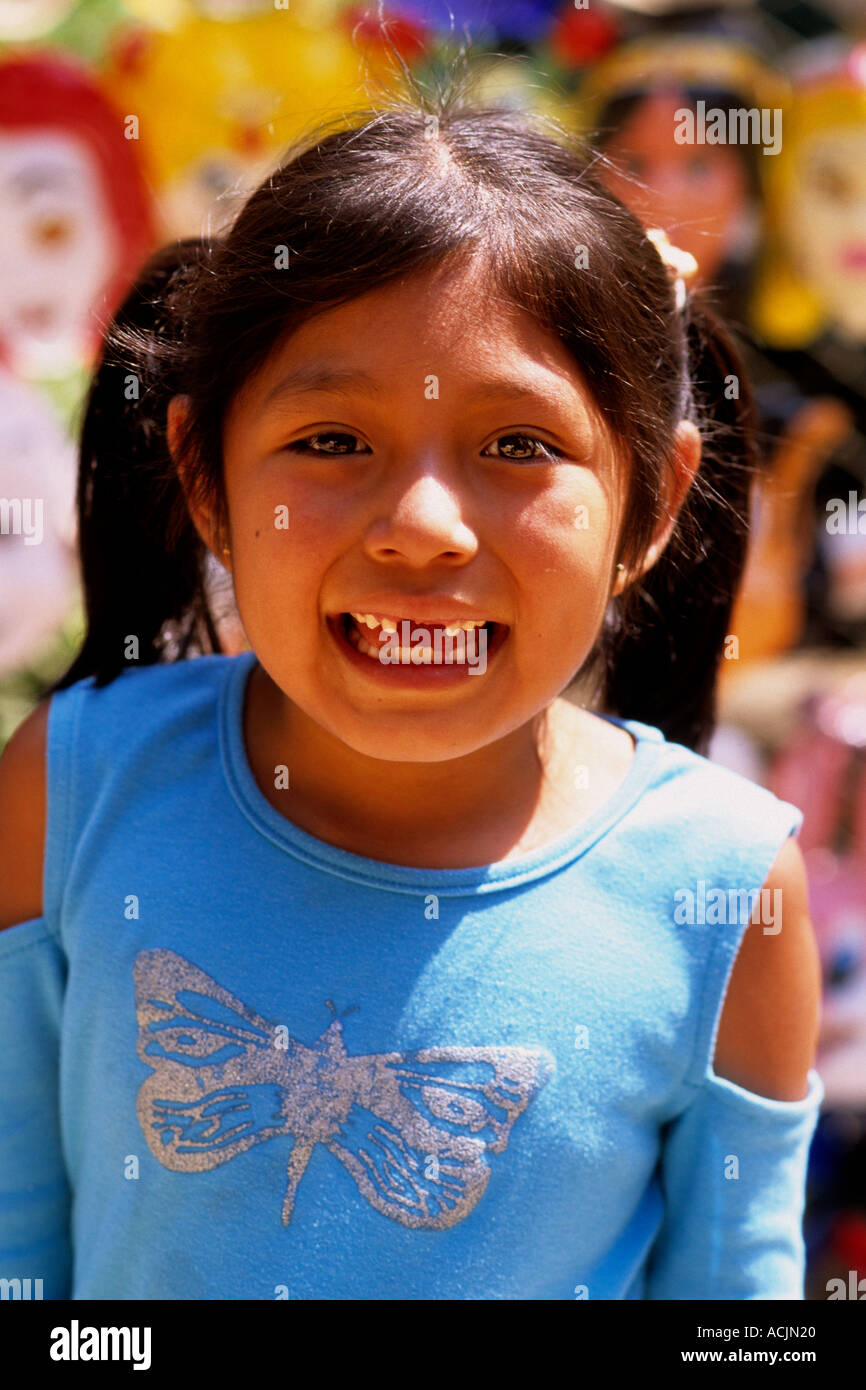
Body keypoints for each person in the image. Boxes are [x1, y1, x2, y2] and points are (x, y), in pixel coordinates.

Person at [0, 78, 823, 1301]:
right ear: (204, 478)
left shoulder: (724, 884)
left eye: (517, 446)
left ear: (649, 503)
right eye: (332, 441)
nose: (422, 526)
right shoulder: (72, 786)